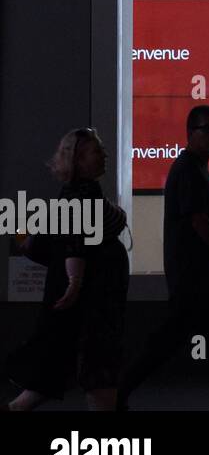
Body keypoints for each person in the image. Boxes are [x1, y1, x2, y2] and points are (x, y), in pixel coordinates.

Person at [118, 105, 209, 410]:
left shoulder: (196, 168)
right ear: (190, 133)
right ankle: (120, 390)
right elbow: (199, 223)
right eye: (207, 129)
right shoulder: (188, 170)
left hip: (197, 277)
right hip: (191, 278)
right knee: (171, 341)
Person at [5, 128, 130, 411]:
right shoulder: (82, 196)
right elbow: (75, 244)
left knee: (56, 366)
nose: (105, 155)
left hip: (92, 300)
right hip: (96, 303)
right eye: (97, 151)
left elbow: (64, 243)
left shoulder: (74, 194)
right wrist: (74, 281)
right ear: (79, 159)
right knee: (98, 369)